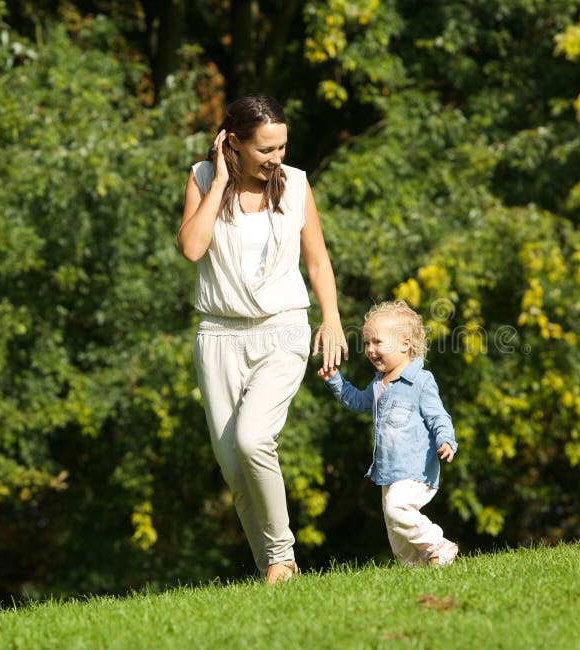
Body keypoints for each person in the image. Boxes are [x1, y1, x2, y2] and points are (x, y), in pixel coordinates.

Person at [177, 94, 347, 584]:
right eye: (266, 150)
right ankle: (273, 572)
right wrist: (221, 181)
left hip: (283, 329)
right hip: (219, 336)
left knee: (254, 439)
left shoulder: (294, 183)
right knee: (233, 464)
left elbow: (317, 260)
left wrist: (331, 318)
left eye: (282, 147)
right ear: (233, 142)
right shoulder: (202, 178)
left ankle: (281, 557)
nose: (277, 159)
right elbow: (191, 248)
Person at [318, 300, 459, 567]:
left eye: (378, 342)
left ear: (405, 344)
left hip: (414, 467)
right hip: (388, 471)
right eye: (367, 343)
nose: (370, 350)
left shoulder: (420, 380)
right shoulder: (378, 383)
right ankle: (416, 571)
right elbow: (358, 402)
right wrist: (335, 380)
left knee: (397, 509)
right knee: (396, 534)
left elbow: (439, 415)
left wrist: (446, 440)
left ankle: (438, 544)